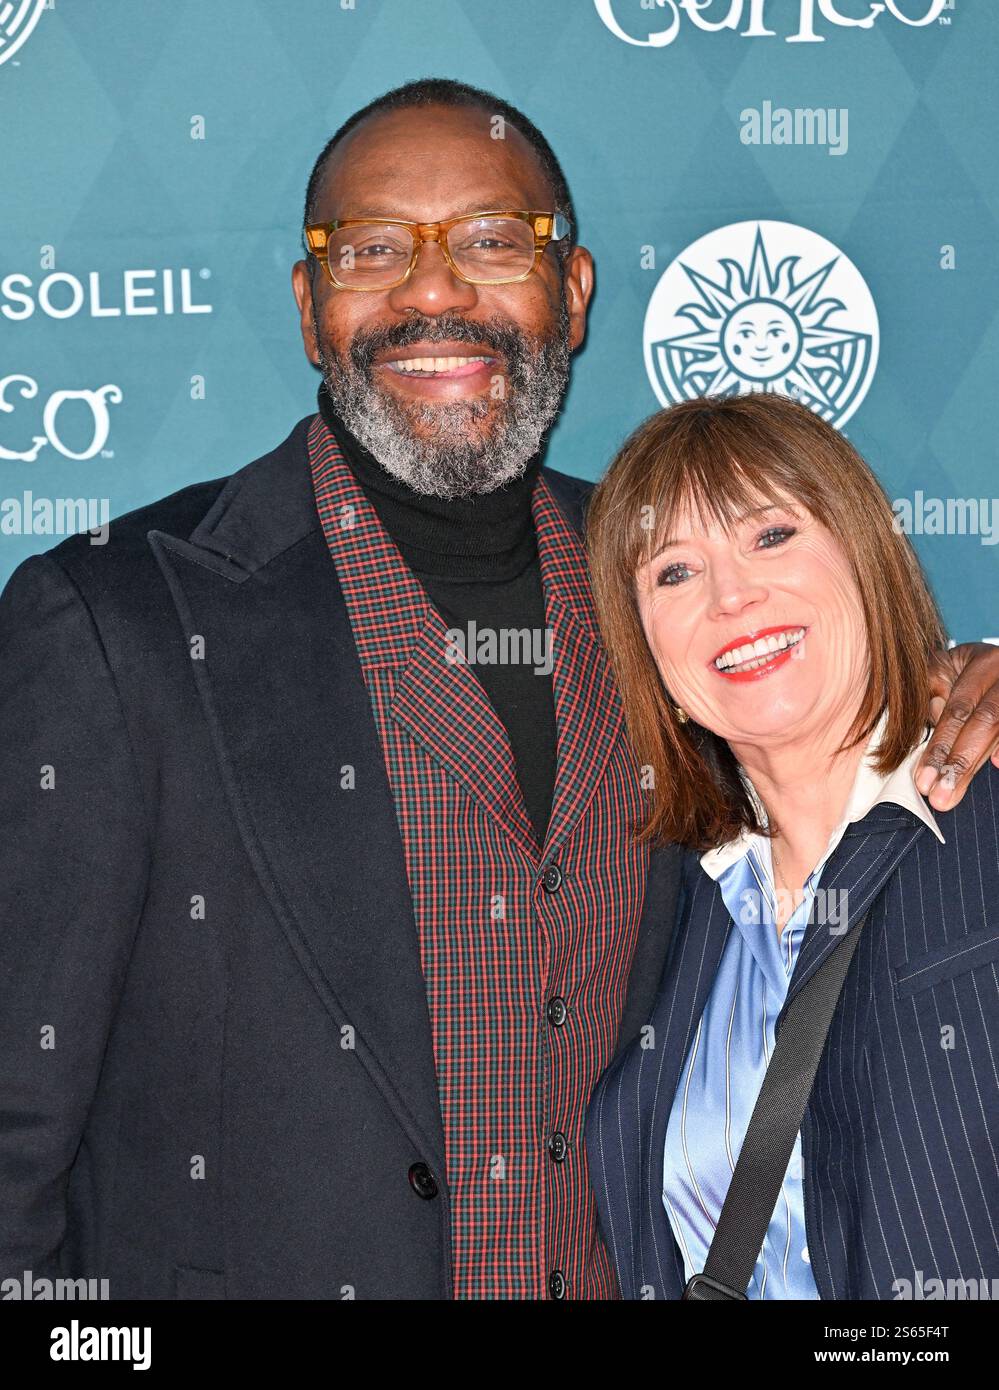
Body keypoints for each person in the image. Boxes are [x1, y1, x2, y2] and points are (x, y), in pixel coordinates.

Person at [1, 80, 997, 1303]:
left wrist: (955, 677)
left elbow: (824, 753)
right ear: (312, 310)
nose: (432, 291)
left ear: (571, 298)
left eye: (490, 241)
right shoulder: (115, 619)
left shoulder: (662, 585)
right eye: (374, 249)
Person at [584, 393, 999, 1300]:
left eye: (770, 536)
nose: (733, 596)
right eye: (673, 573)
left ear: (864, 555)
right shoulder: (661, 898)